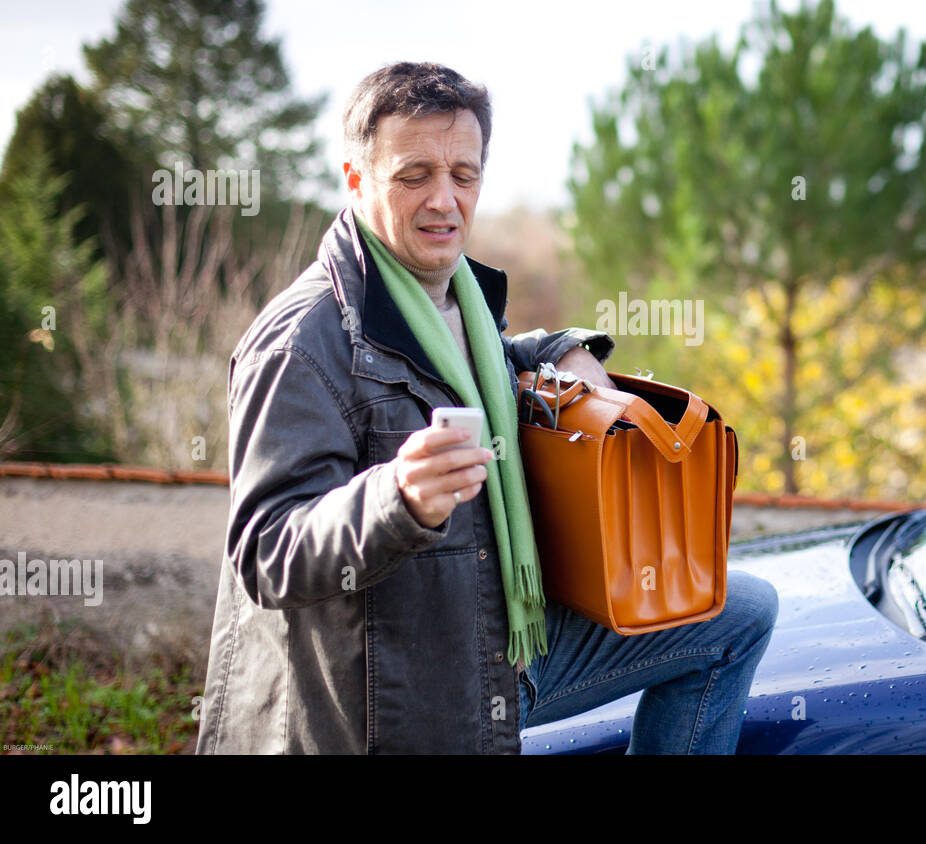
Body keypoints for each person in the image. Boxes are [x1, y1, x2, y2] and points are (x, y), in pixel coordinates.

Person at [196, 61, 778, 754]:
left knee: (739, 614)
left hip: (508, 641)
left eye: (463, 175)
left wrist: (564, 350)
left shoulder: (462, 301)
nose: (444, 200)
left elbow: (493, 363)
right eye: (414, 175)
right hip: (394, 705)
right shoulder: (301, 345)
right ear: (356, 181)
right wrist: (396, 499)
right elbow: (268, 553)